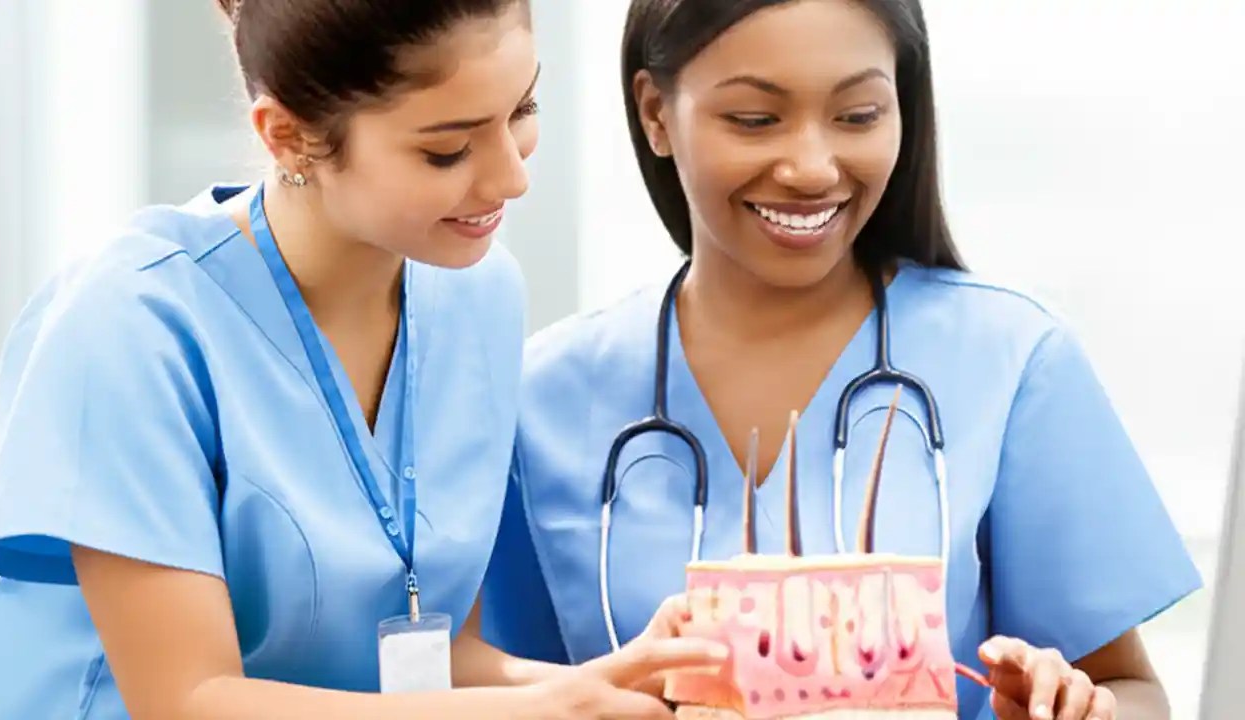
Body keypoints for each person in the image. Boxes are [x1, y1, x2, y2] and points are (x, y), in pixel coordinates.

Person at [0, 1, 726, 718]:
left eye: (522, 112)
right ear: (287, 135)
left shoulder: (479, 295)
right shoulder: (132, 323)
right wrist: (538, 709)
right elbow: (188, 699)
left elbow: (435, 657)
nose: (511, 177)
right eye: (448, 149)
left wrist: (610, 686)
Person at [481, 1, 1202, 719]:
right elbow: (493, 695)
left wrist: (1073, 710)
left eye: (857, 116)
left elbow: (1132, 692)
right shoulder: (538, 401)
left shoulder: (1010, 359)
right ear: (656, 114)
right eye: (756, 120)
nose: (811, 168)